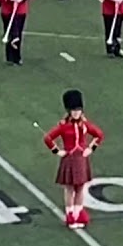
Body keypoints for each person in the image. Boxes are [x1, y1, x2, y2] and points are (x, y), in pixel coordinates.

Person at [43, 90, 104, 228]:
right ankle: (70, 213)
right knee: (70, 188)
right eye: (73, 110)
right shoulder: (64, 126)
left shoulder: (84, 125)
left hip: (81, 159)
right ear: (69, 111)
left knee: (81, 187)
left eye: (78, 110)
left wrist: (91, 148)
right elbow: (48, 138)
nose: (76, 112)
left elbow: (99, 134)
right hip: (69, 159)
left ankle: (78, 212)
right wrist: (57, 151)